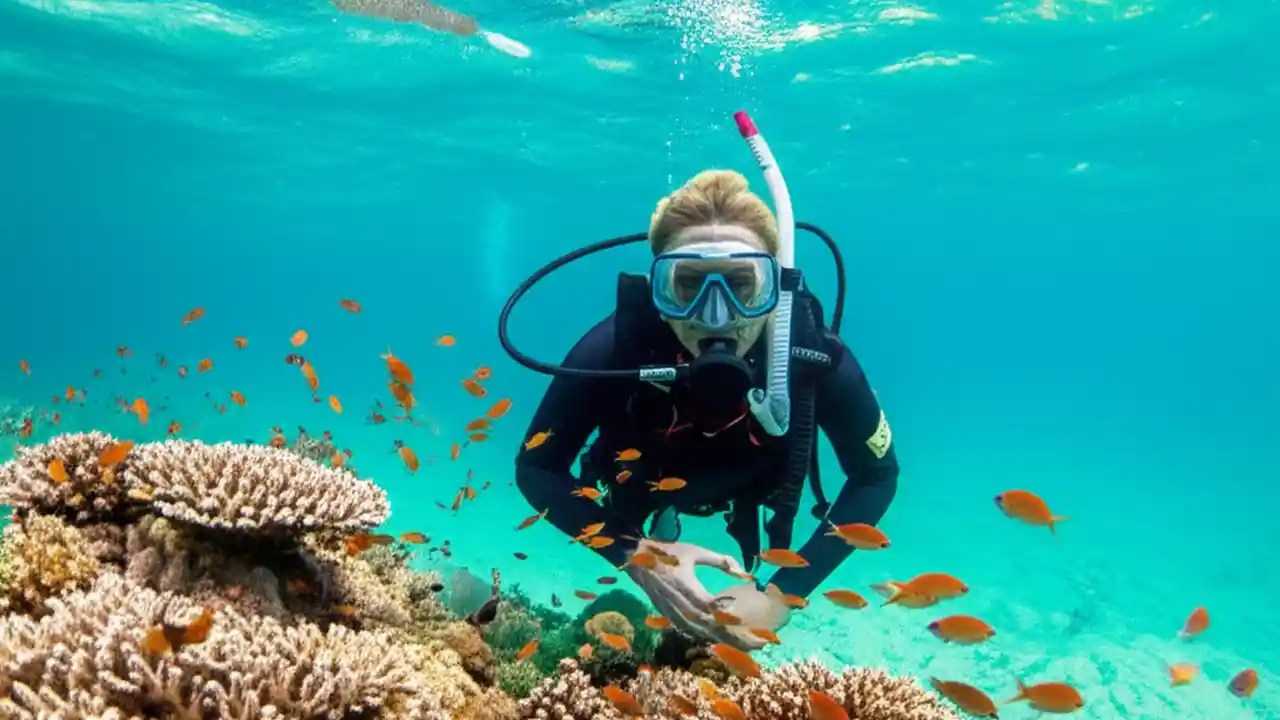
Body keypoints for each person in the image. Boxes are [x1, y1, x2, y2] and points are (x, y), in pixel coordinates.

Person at [510, 168, 898, 652]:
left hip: (751, 487)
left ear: (775, 287)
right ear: (659, 292)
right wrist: (635, 553)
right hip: (644, 478)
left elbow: (876, 475)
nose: (717, 315)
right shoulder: (616, 350)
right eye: (688, 287)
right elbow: (536, 467)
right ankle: (662, 520)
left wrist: (781, 595)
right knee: (649, 507)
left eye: (742, 285)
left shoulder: (809, 357)